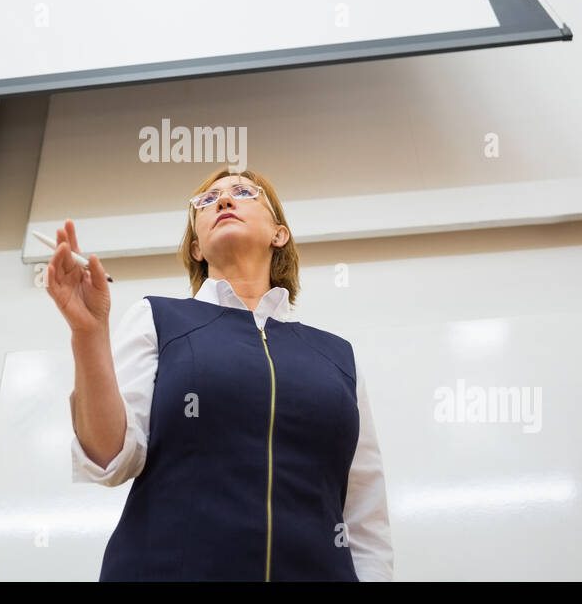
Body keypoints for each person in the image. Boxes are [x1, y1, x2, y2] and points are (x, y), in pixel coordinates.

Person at [46, 167, 393, 581]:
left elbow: (365, 518)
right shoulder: (158, 318)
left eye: (244, 193)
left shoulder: (338, 357)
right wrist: (89, 334)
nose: (224, 201)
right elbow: (109, 457)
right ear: (197, 248)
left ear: (278, 233)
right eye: (207, 201)